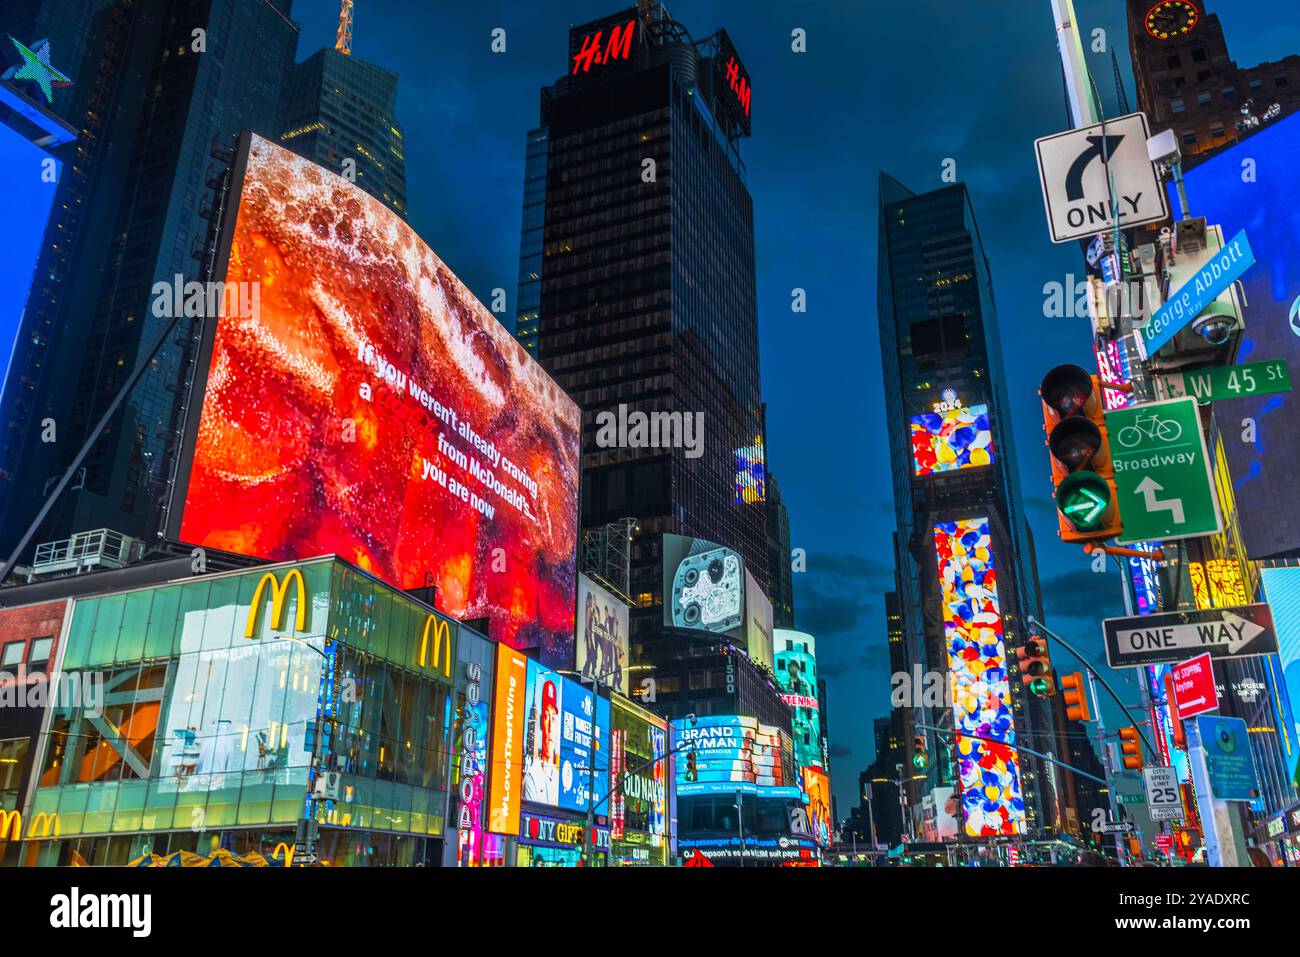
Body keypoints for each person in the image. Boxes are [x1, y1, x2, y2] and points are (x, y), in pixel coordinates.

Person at [523, 679, 560, 804]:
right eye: (546, 717)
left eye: (553, 718)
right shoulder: (532, 774)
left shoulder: (558, 777)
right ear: (540, 722)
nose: (550, 726)